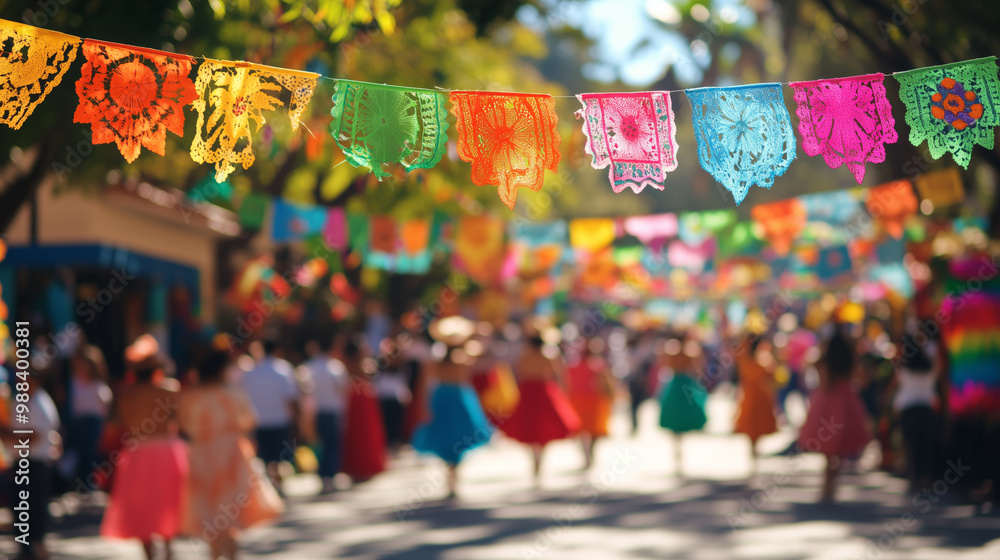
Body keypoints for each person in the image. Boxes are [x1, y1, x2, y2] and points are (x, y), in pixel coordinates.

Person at [179, 347, 283, 560]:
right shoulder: (233, 392)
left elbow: (186, 426)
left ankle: (215, 555)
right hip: (231, 455)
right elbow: (250, 420)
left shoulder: (191, 395)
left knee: (211, 513)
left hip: (202, 455)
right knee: (229, 513)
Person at [100, 335, 188, 560]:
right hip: (168, 452)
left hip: (137, 453)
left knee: (142, 505)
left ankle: (150, 555)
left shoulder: (125, 395)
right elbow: (183, 422)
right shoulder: (170, 390)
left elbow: (112, 428)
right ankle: (168, 551)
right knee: (169, 502)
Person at [411, 317, 494, 497]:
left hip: (443, 399)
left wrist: (424, 406)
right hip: (458, 399)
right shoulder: (463, 358)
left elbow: (423, 386)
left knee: (447, 438)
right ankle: (454, 474)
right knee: (458, 438)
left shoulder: (436, 362)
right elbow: (484, 354)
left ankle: (450, 473)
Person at [797, 325, 871, 503]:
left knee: (827, 447)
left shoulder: (824, 358)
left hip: (826, 400)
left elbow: (811, 369)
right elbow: (863, 380)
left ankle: (827, 484)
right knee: (839, 447)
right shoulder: (850, 358)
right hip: (845, 401)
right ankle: (831, 484)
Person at [501, 324, 580, 483]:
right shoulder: (549, 355)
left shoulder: (523, 355)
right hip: (544, 391)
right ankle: (539, 460)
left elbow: (518, 375)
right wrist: (564, 393)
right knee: (542, 428)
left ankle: (534, 459)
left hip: (528, 391)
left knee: (530, 428)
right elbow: (559, 375)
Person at [2, 370, 61, 560]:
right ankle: (26, 547)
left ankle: (34, 547)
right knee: (21, 506)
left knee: (32, 507)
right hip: (23, 461)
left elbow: (34, 437)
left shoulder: (39, 403)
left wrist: (8, 436)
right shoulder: (24, 400)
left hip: (34, 463)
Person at [241, 337, 299, 491]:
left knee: (265, 456)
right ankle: (276, 483)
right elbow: (290, 397)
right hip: (280, 419)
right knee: (278, 456)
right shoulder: (284, 370)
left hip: (259, 421)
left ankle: (271, 483)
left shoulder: (251, 372)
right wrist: (294, 418)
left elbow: (244, 397)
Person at [298, 337, 349, 494]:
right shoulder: (335, 368)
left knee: (320, 444)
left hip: (315, 412)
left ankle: (323, 475)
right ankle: (329, 476)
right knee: (332, 445)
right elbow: (343, 390)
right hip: (333, 411)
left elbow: (303, 390)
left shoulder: (308, 367)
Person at [892, 334, 940, 492]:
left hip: (908, 409)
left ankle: (914, 478)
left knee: (911, 445)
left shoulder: (903, 367)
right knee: (926, 445)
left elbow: (898, 386)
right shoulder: (930, 366)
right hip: (927, 408)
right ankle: (926, 477)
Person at [656, 331, 708, 475]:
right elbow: (697, 368)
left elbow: (662, 364)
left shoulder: (669, 349)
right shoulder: (690, 351)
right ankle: (680, 444)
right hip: (684, 383)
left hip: (675, 383)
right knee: (683, 413)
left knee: (674, 414)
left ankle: (677, 446)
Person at [340, 338, 387, 483]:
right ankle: (364, 465)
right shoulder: (362, 365)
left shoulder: (345, 365)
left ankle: (356, 467)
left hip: (356, 399)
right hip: (362, 400)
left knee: (355, 434)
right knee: (365, 432)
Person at [67, 344, 112, 494]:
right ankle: (78, 483)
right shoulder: (74, 382)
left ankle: (88, 483)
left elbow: (105, 406)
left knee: (90, 453)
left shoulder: (99, 385)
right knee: (78, 453)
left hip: (94, 422)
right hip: (78, 422)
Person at [566, 337, 615, 469]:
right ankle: (589, 454)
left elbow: (566, 384)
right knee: (592, 430)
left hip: (581, 400)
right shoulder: (597, 364)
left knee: (583, 431)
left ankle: (587, 455)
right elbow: (606, 383)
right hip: (592, 400)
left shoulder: (574, 365)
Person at [734, 334, 778, 475]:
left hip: (750, 394)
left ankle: (753, 452)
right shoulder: (763, 358)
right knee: (756, 424)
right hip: (759, 395)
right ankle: (755, 452)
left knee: (751, 424)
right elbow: (771, 374)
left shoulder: (745, 359)